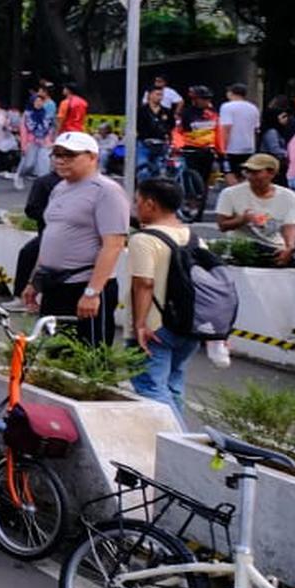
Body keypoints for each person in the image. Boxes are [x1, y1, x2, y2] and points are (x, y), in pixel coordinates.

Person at [22, 132, 127, 346]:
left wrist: (92, 293)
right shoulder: (59, 188)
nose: (61, 160)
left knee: (87, 355)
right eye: (57, 154)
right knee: (55, 350)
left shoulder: (106, 191)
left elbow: (113, 245)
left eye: (70, 155)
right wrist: (35, 281)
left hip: (84, 285)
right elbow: (50, 236)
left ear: (92, 157)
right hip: (54, 284)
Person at [125, 178, 199, 422]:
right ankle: (181, 444)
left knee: (151, 389)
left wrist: (140, 326)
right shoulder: (192, 236)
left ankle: (178, 447)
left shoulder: (144, 239)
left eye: (137, 202)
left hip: (155, 328)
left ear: (150, 204)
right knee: (173, 386)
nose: (135, 208)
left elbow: (144, 283)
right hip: (189, 326)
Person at [214, 154, 295, 266]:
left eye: (256, 172)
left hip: (273, 247)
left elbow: (290, 225)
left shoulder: (289, 196)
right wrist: (242, 220)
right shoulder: (229, 193)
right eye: (248, 172)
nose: (250, 176)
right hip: (242, 247)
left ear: (271, 173)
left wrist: (290, 246)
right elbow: (222, 225)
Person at [218, 84, 262, 173]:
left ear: (231, 93)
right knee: (245, 174)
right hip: (249, 147)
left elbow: (226, 128)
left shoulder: (227, 107)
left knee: (229, 173)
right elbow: (256, 129)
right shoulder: (253, 108)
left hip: (232, 148)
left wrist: (223, 148)